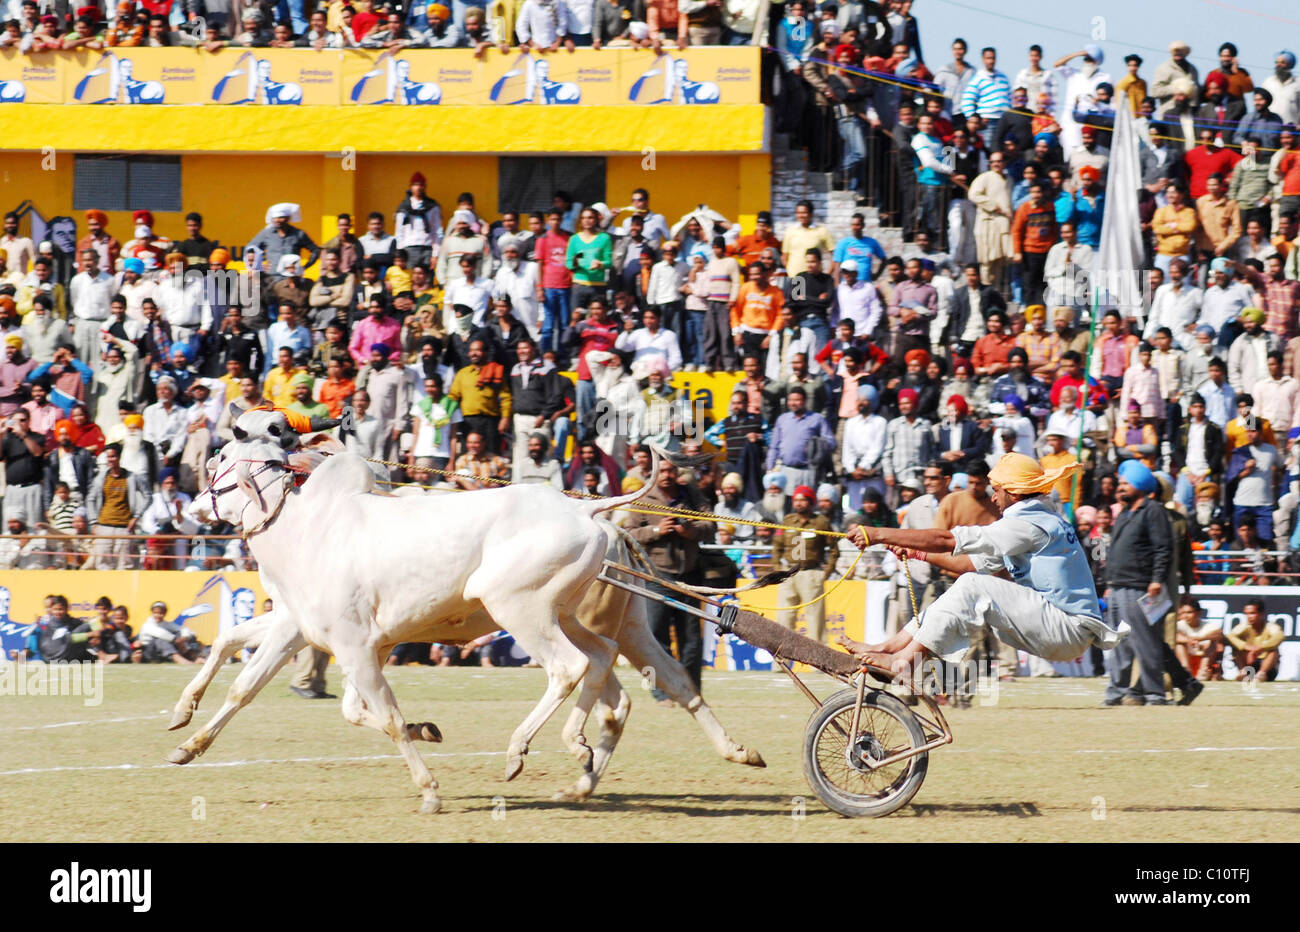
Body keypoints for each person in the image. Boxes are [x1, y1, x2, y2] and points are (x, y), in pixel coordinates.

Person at [836, 453, 1126, 680]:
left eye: (997, 490)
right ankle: (891, 647)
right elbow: (970, 564)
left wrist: (876, 534)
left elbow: (944, 538)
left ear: (1013, 492)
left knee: (973, 586)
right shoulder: (1038, 518)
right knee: (970, 584)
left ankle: (903, 661)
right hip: (1061, 627)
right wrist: (917, 554)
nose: (993, 497)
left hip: (1065, 628)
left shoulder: (1027, 525)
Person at [621, 460, 711, 694]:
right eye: (662, 471)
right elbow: (629, 533)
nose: (667, 475)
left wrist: (690, 531)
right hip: (656, 576)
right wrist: (655, 530)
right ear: (653, 473)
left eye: (671, 470)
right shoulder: (642, 497)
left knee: (691, 639)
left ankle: (692, 692)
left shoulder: (692, 495)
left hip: (689, 576)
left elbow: (710, 525)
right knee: (654, 636)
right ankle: (660, 692)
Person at [769, 484, 836, 644]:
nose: (798, 503)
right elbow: (777, 546)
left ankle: (819, 663)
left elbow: (834, 549)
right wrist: (778, 569)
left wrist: (825, 573)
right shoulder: (787, 521)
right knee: (784, 617)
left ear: (811, 502)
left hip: (811, 573)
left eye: (803, 500)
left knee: (815, 619)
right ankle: (780, 661)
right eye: (796, 500)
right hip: (788, 572)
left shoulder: (821, 522)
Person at [1225, 597, 1283, 681]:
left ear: (1261, 614)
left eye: (1252, 613)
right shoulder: (1244, 626)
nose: (1249, 617)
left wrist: (1260, 648)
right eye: (1247, 614)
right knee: (1236, 649)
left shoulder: (1270, 626)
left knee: (1274, 651)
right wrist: (1245, 646)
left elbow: (1279, 636)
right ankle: (1244, 673)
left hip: (1268, 669)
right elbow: (1230, 636)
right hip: (1250, 663)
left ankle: (1261, 674)